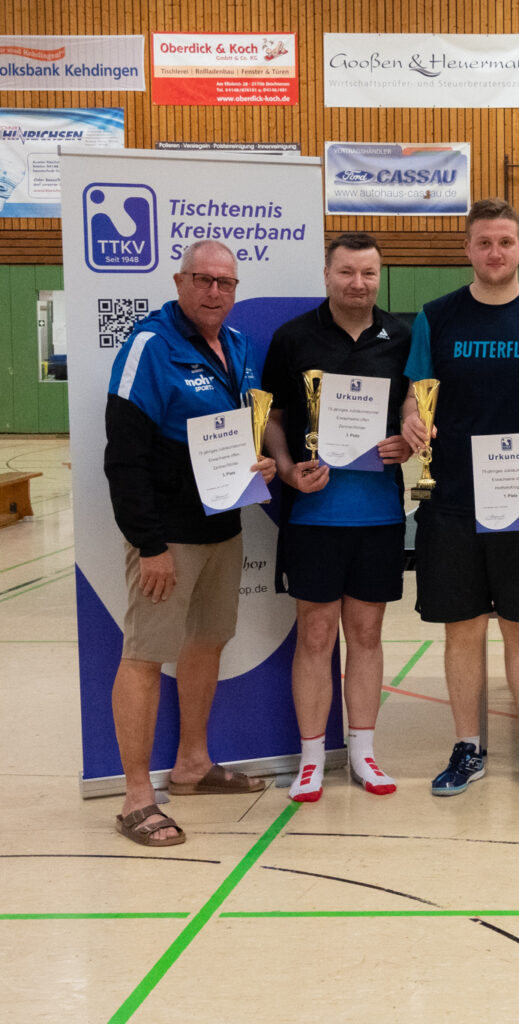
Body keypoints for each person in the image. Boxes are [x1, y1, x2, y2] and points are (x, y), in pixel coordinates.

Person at [401, 199, 519, 798]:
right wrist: (410, 423)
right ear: (468, 250)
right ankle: (467, 746)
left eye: (506, 241)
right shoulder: (436, 317)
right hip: (452, 499)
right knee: (462, 629)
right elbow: (416, 396)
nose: (495, 252)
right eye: (484, 243)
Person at [103, 239, 277, 845]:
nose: (214, 292)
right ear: (180, 281)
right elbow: (123, 459)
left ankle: (193, 765)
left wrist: (263, 466)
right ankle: (135, 797)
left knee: (206, 643)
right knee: (146, 655)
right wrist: (149, 545)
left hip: (224, 529)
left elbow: (240, 438)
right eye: (203, 280)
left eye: (225, 283)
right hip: (167, 540)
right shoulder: (149, 347)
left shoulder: (239, 347)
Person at [261, 233, 413, 802]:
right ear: (327, 273)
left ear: (380, 275)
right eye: (347, 272)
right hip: (314, 515)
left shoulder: (401, 336)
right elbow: (272, 417)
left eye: (369, 273)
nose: (358, 284)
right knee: (316, 634)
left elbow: (412, 403)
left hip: (378, 514)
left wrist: (406, 438)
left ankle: (365, 753)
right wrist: (286, 467)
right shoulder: (293, 337)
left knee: (367, 634)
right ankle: (309, 759)